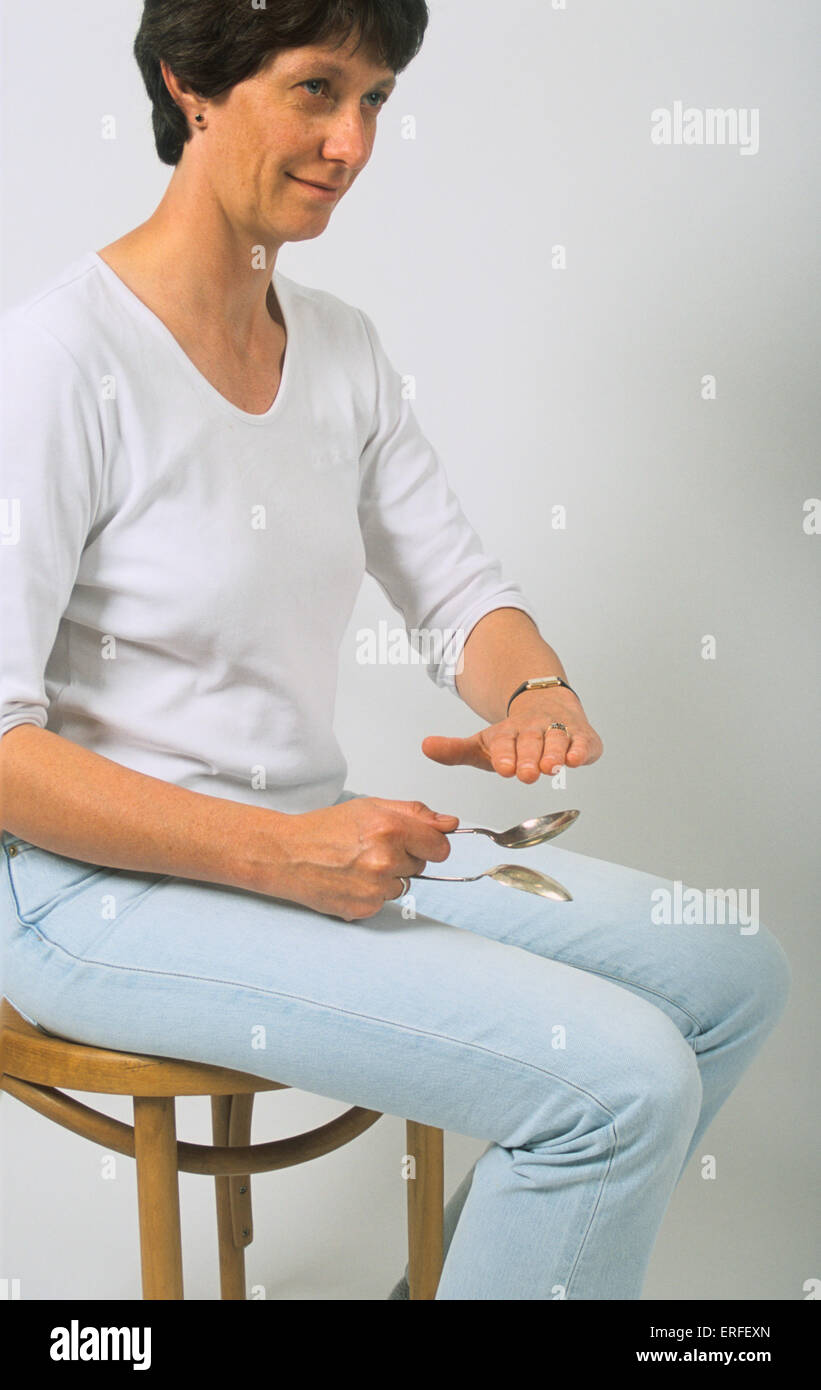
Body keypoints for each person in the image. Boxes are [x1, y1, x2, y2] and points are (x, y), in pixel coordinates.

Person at [0, 0, 790, 1301]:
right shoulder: (56, 359)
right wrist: (279, 850)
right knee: (618, 1079)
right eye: (318, 89)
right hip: (88, 888)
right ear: (189, 85)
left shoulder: (341, 352)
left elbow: (462, 595)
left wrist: (530, 688)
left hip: (301, 831)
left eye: (376, 98)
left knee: (728, 970)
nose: (352, 139)